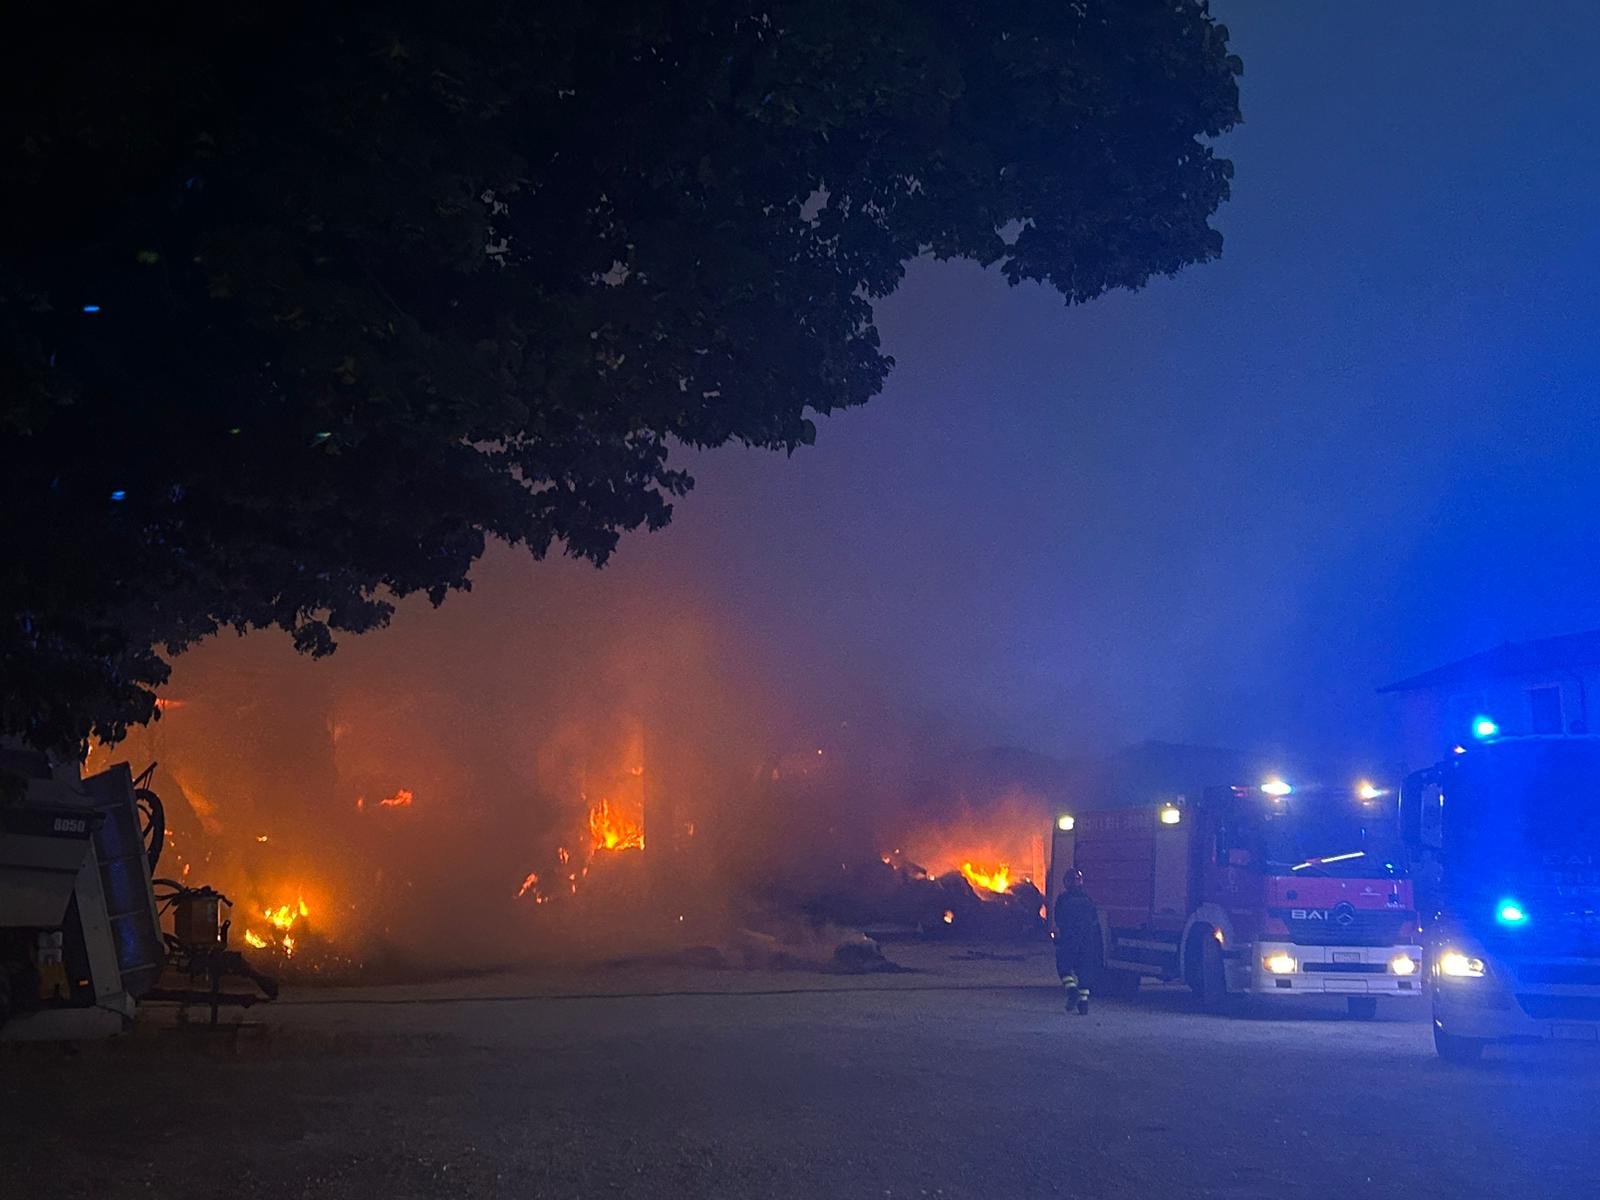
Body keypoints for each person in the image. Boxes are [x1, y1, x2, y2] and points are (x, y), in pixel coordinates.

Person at [1053, 869, 1099, 1015]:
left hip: (1069, 939)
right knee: (1084, 971)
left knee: (1064, 967)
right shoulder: (1088, 899)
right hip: (1087, 941)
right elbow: (1094, 919)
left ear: (1066, 882)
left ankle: (1072, 991)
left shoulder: (1063, 899)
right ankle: (1084, 1004)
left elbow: (1058, 919)